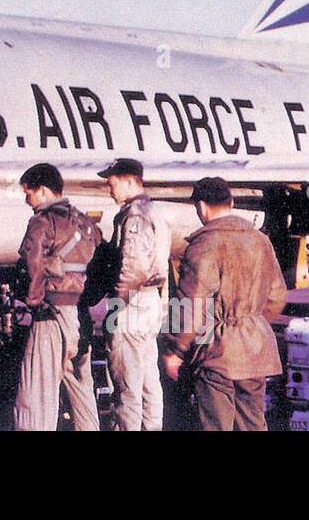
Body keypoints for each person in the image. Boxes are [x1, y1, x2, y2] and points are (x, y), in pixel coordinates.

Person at [163, 177, 287, 431]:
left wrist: (176, 351)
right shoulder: (260, 240)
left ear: (201, 206)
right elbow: (277, 295)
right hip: (255, 349)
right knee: (253, 424)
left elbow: (192, 304)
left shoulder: (204, 244)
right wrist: (248, 324)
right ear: (230, 202)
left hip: (217, 353)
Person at [13, 163, 102, 431]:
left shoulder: (42, 222)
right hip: (80, 320)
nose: (27, 200)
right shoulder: (86, 223)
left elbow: (33, 267)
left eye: (28, 193)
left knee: (35, 397)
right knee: (83, 397)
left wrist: (34, 301)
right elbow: (104, 267)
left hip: (51, 317)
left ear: (42, 190)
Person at [97, 157, 171, 431]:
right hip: (149, 300)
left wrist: (118, 300)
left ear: (129, 181)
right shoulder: (153, 211)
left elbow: (133, 264)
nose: (109, 189)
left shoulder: (135, 215)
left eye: (112, 183)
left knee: (126, 384)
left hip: (132, 303)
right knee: (148, 381)